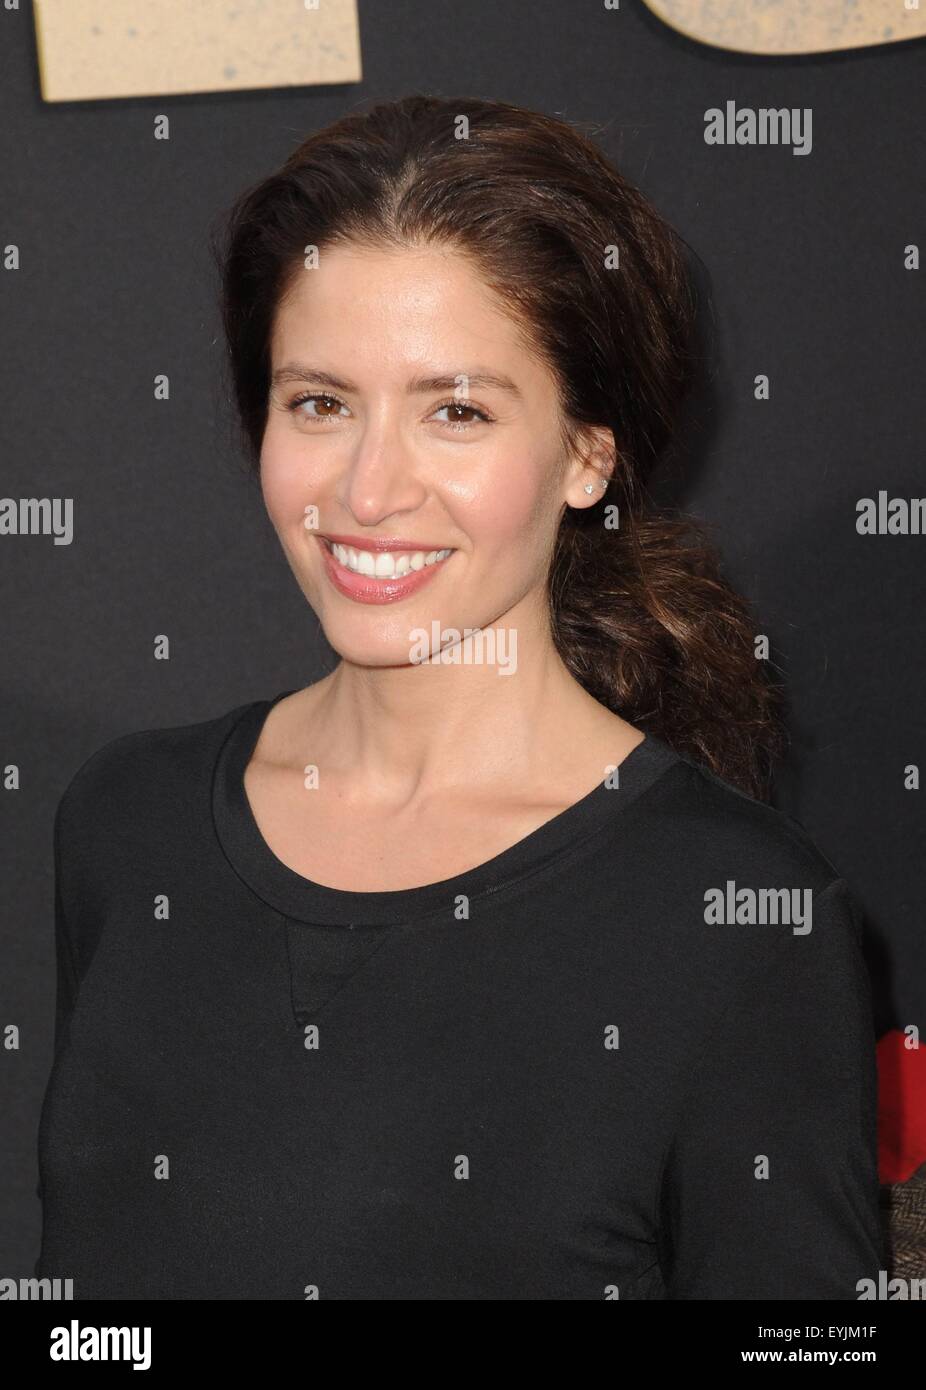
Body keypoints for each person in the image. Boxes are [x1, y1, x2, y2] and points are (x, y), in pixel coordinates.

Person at [35, 94, 884, 1299]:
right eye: (319, 403)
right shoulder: (128, 824)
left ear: (588, 455)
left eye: (456, 411)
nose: (369, 489)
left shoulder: (733, 924)